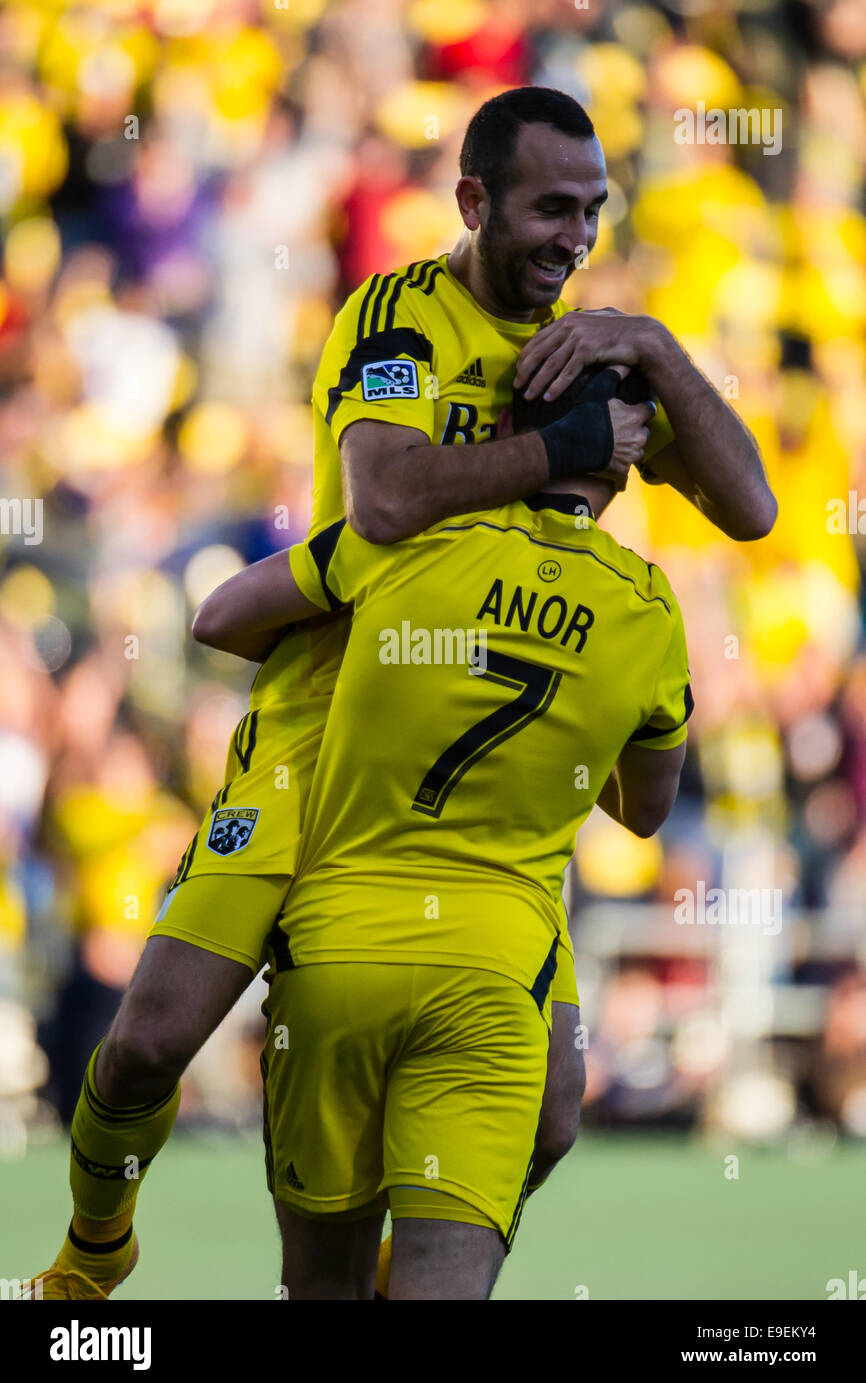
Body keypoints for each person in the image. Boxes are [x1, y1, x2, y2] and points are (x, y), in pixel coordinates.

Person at [23, 86, 774, 1299]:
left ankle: (391, 1270)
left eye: (591, 209)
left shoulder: (585, 354)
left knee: (552, 1117)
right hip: (316, 739)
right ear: (471, 202)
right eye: (546, 208)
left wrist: (653, 343)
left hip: (464, 801)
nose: (571, 235)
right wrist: (561, 453)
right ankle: (91, 1248)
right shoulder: (400, 316)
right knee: (147, 1040)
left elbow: (749, 507)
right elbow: (379, 498)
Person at [191, 367, 693, 1298]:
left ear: (507, 429)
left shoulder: (408, 539)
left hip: (338, 953)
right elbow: (647, 808)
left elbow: (217, 618)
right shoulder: (651, 610)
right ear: (621, 464)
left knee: (320, 1289)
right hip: (497, 972)